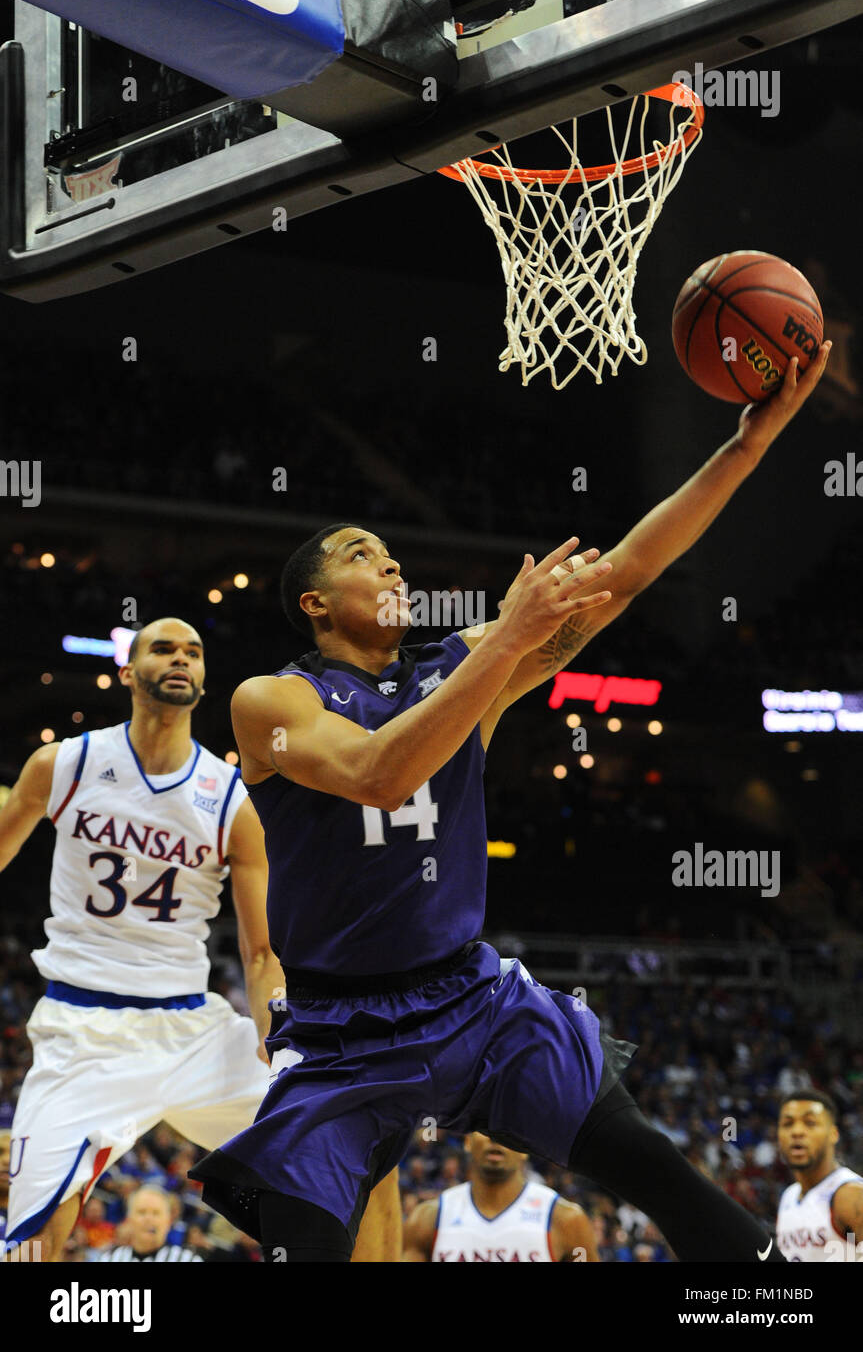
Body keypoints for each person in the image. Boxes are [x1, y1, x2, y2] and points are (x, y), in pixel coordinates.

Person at [191, 348, 830, 1262]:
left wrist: (747, 442)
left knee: (652, 1164)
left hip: (470, 999)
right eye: (362, 557)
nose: (391, 562)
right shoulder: (271, 702)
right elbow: (378, 772)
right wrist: (505, 649)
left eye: (393, 552)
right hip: (340, 1032)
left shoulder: (461, 667)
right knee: (304, 1241)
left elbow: (631, 568)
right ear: (315, 603)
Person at [0, 617, 396, 1260]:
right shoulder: (63, 765)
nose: (180, 658)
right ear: (129, 671)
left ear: (205, 679)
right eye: (163, 648)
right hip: (82, 1027)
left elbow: (262, 951)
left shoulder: (231, 799)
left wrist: (281, 1036)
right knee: (32, 1244)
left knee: (357, 1129)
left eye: (194, 651)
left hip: (191, 1032)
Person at [402, 1132, 599, 1261]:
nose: (495, 1137)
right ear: (468, 1142)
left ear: (525, 1149)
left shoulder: (566, 1219)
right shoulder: (427, 1218)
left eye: (507, 1128)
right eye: (485, 1128)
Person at [775, 1090, 863, 1261]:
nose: (797, 1132)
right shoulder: (789, 1196)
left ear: (833, 1134)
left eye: (810, 1123)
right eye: (787, 1124)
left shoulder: (850, 1195)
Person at [98, 1185, 200, 1263]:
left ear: (168, 1221)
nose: (149, 1219)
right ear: (129, 1220)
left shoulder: (189, 1260)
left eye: (156, 1213)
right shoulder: (108, 1259)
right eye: (142, 1212)